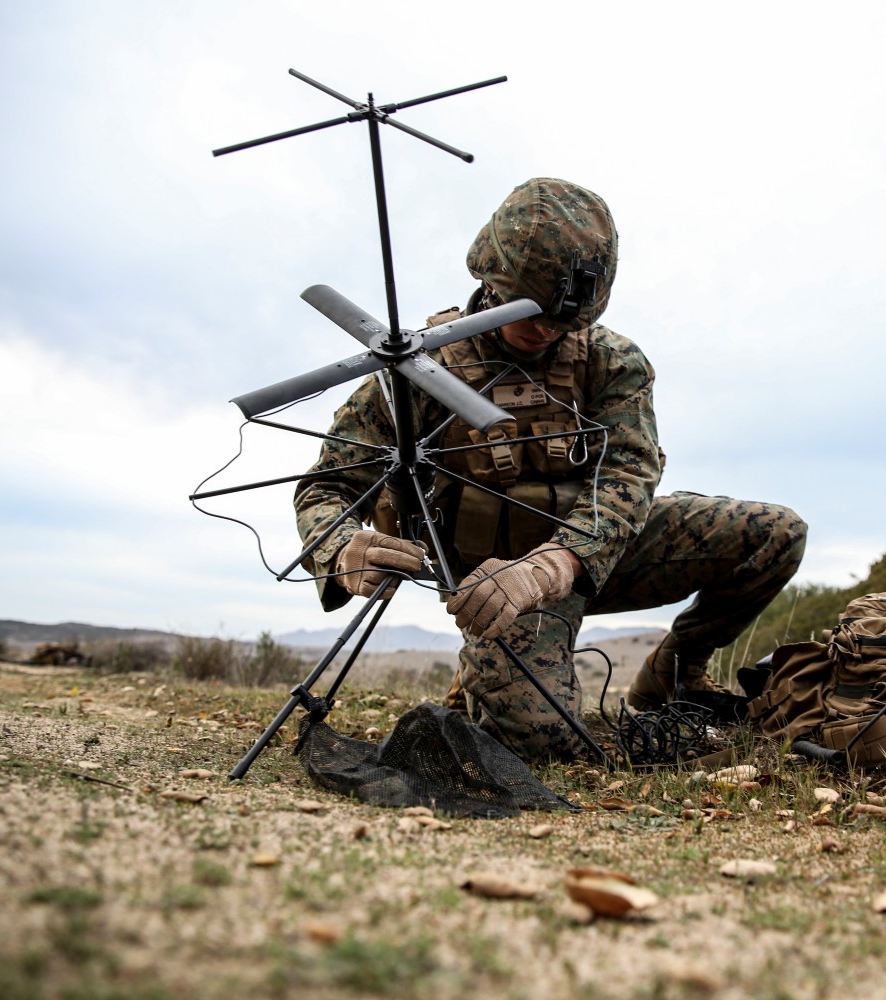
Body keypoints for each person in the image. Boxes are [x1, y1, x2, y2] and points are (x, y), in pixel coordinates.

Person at [294, 177, 807, 759]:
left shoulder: (611, 361)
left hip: (594, 556)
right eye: (532, 310)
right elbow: (327, 486)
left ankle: (676, 673)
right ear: (491, 278)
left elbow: (629, 476)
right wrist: (341, 548)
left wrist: (558, 564)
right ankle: (484, 673)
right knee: (540, 739)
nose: (545, 330)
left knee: (775, 534)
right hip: (497, 589)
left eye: (564, 321)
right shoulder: (422, 366)